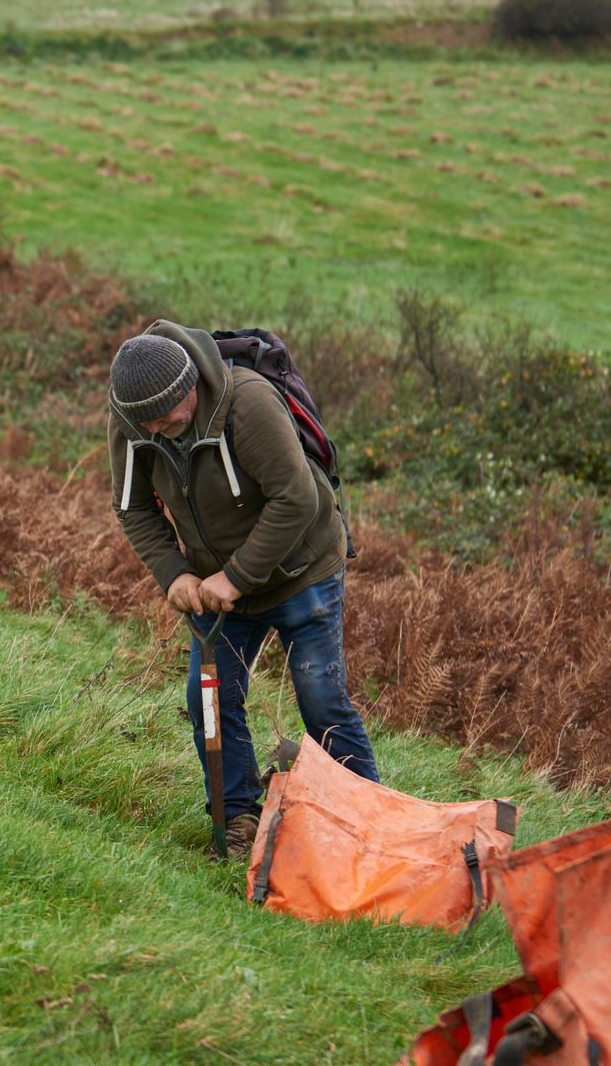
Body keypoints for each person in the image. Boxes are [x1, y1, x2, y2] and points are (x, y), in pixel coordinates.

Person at [107, 319, 379, 859]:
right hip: (214, 583)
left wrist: (237, 577)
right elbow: (133, 508)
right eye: (146, 424)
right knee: (208, 699)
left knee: (320, 699)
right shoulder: (135, 418)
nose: (157, 432)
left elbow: (296, 499)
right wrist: (174, 573)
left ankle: (367, 819)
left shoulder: (248, 403)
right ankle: (237, 821)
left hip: (303, 569)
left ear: (189, 388)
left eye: (166, 418)